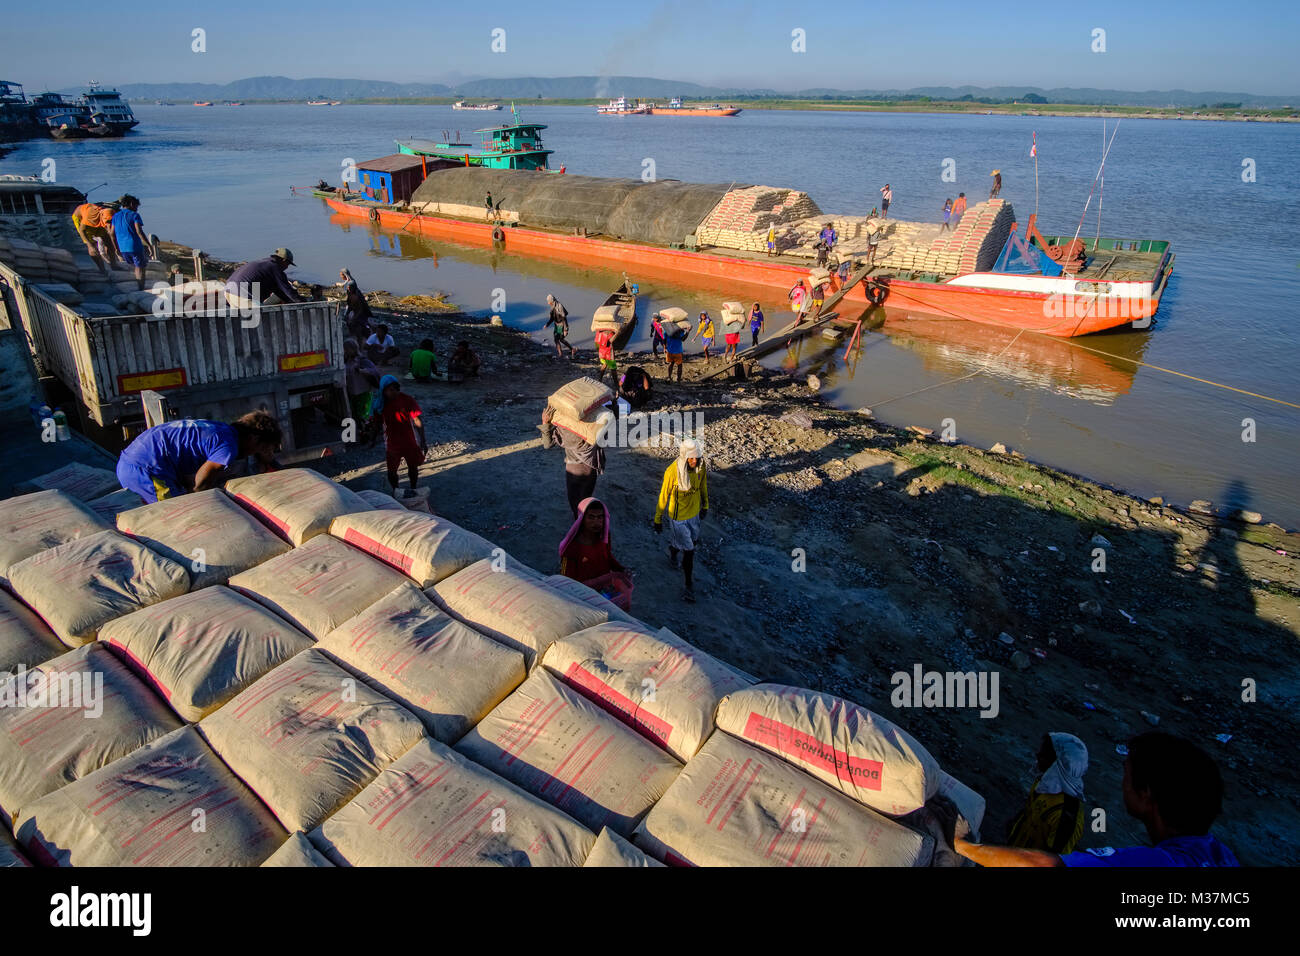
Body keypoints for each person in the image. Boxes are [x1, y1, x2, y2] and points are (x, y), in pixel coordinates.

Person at [948, 732, 1238, 867]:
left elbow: (1044, 864)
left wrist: (961, 845)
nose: (1122, 784)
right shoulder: (1221, 856)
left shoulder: (1153, 862)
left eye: (1127, 774)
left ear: (1146, 793)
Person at [116, 412, 282, 504]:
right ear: (253, 438)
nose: (253, 454)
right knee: (175, 514)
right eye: (259, 448)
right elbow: (203, 477)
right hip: (147, 470)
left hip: (134, 462)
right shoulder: (228, 446)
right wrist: (200, 500)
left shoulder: (221, 429)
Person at [1006, 733, 1089, 855]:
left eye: (1045, 754)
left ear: (1060, 764)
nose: (1038, 754)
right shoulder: (1043, 784)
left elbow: (1055, 858)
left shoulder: (1066, 815)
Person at [653, 437, 708, 603]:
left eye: (696, 457)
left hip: (694, 514)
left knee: (687, 544)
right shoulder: (672, 472)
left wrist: (705, 505)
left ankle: (672, 551)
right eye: (690, 457)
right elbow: (664, 495)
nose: (694, 461)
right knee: (690, 551)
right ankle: (688, 586)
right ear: (684, 456)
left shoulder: (701, 466)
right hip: (678, 519)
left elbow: (703, 484)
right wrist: (658, 519)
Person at [558, 497, 633, 611]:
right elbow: (566, 581)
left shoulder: (604, 537)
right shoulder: (572, 548)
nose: (596, 523)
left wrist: (621, 569)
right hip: (583, 597)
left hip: (604, 591)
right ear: (582, 519)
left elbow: (607, 556)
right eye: (591, 517)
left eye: (600, 517)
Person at [541, 404, 606, 518]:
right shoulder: (594, 423)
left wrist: (545, 423)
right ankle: (582, 523)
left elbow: (547, 444)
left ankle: (579, 525)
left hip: (573, 468)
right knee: (585, 501)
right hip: (590, 468)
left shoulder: (564, 427)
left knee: (575, 503)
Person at [370, 374, 427, 497]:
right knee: (391, 471)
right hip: (392, 443)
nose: (393, 392)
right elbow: (377, 423)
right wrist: (373, 439)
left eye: (395, 389)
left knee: (413, 467)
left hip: (410, 441)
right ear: (383, 391)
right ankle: (396, 491)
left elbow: (417, 420)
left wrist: (423, 440)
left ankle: (413, 488)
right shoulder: (379, 405)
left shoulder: (407, 400)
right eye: (389, 390)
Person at [226, 248, 302, 306]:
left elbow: (279, 291)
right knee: (264, 317)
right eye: (288, 264)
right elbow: (289, 292)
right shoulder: (275, 268)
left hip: (228, 293)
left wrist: (289, 301)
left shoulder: (263, 264)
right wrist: (305, 303)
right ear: (284, 260)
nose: (287, 268)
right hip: (240, 295)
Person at [110, 194, 153, 290]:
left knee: (131, 266)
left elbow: (111, 233)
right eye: (136, 206)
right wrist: (149, 245)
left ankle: (129, 287)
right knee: (140, 267)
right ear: (131, 204)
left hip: (122, 247)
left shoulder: (115, 216)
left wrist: (116, 248)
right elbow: (139, 232)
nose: (137, 209)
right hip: (134, 246)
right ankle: (141, 289)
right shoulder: (134, 215)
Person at [71, 200, 119, 274]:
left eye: (110, 222)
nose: (108, 225)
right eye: (107, 223)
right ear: (103, 218)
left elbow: (111, 233)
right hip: (83, 221)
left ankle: (114, 266)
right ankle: (102, 269)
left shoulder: (110, 215)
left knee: (109, 243)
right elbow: (81, 230)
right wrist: (89, 245)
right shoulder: (90, 216)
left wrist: (116, 247)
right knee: (93, 248)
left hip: (98, 220)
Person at [343, 340, 380, 434]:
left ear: (353, 349)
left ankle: (367, 433)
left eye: (347, 349)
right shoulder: (346, 360)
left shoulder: (362, 360)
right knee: (355, 414)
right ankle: (361, 432)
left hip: (364, 392)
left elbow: (374, 371)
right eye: (345, 349)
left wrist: (362, 370)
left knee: (363, 414)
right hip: (352, 392)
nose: (345, 351)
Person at [544, 294, 575, 359]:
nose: (548, 303)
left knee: (558, 339)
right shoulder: (552, 307)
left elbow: (564, 318)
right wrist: (547, 324)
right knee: (558, 339)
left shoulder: (559, 306)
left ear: (551, 301)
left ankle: (565, 352)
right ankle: (566, 351)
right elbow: (552, 318)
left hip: (562, 325)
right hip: (556, 325)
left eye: (548, 301)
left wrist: (565, 330)